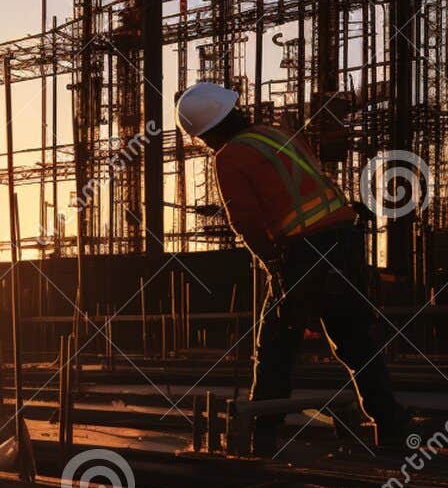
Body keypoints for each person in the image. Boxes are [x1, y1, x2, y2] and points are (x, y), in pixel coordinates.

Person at [175, 82, 409, 453]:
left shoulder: (230, 156)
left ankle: (261, 438)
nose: (206, 145)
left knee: (276, 345)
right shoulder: (277, 134)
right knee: (355, 339)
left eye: (203, 138)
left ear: (210, 131)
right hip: (345, 241)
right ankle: (392, 428)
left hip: (304, 251)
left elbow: (245, 220)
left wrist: (272, 263)